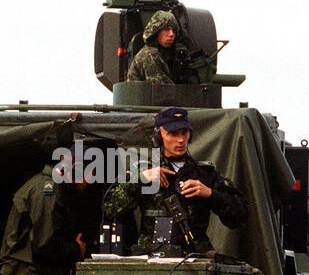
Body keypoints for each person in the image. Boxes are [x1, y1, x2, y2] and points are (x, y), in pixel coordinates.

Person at [103, 106, 248, 257]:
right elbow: (110, 208)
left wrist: (211, 194)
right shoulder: (144, 171)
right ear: (160, 136)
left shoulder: (205, 173)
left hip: (195, 258)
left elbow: (240, 216)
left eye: (184, 133)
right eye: (172, 134)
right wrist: (141, 180)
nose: (180, 140)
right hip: (152, 257)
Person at [0, 160, 103, 275]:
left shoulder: (48, 185)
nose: (90, 180)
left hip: (35, 273)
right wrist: (76, 248)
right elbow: (44, 243)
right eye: (90, 173)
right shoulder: (48, 190)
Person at [125, 10, 212, 84]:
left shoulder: (170, 54)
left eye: (174, 30)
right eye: (166, 29)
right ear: (156, 31)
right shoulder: (149, 55)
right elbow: (163, 90)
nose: (171, 34)